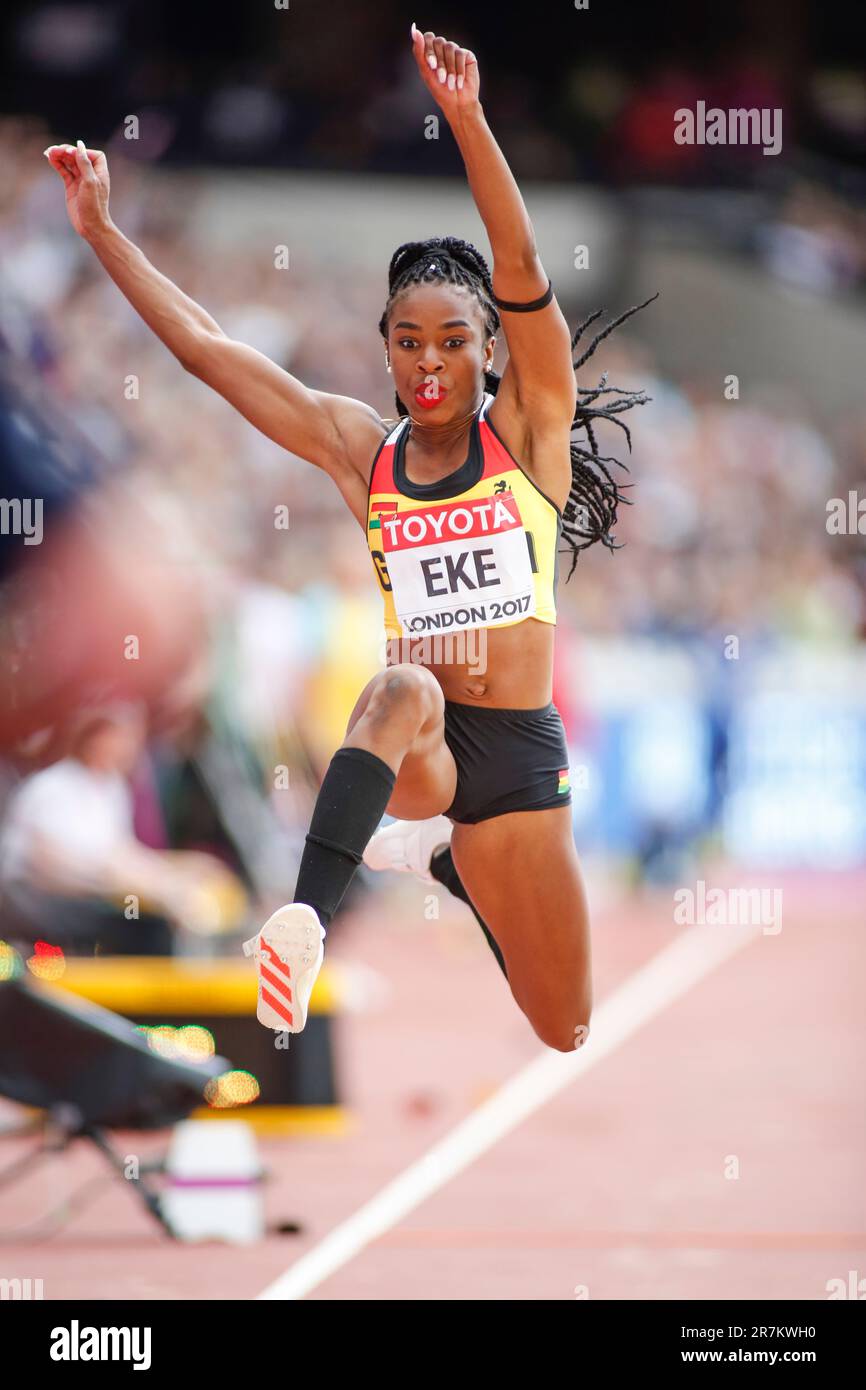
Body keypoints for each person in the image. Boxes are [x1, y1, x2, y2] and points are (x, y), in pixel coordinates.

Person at [44, 25, 653, 1046]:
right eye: (407, 341)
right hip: (421, 746)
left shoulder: (529, 431)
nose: (429, 363)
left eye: (453, 343)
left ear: (485, 350)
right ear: (382, 348)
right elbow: (208, 352)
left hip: (516, 753)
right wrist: (103, 232)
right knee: (404, 684)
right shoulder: (357, 451)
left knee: (564, 1024)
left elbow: (518, 260)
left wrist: (466, 120)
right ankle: (303, 918)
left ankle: (445, 861)